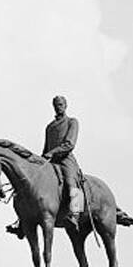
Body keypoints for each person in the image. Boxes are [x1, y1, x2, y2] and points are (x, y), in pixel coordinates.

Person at [43, 94, 83, 227]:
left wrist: (52, 153)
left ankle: (75, 214)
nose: (58, 107)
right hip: (51, 161)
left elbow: (69, 144)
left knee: (72, 183)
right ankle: (22, 221)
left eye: (60, 105)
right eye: (55, 105)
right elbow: (46, 149)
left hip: (66, 160)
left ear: (65, 106)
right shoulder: (49, 127)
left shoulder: (72, 122)